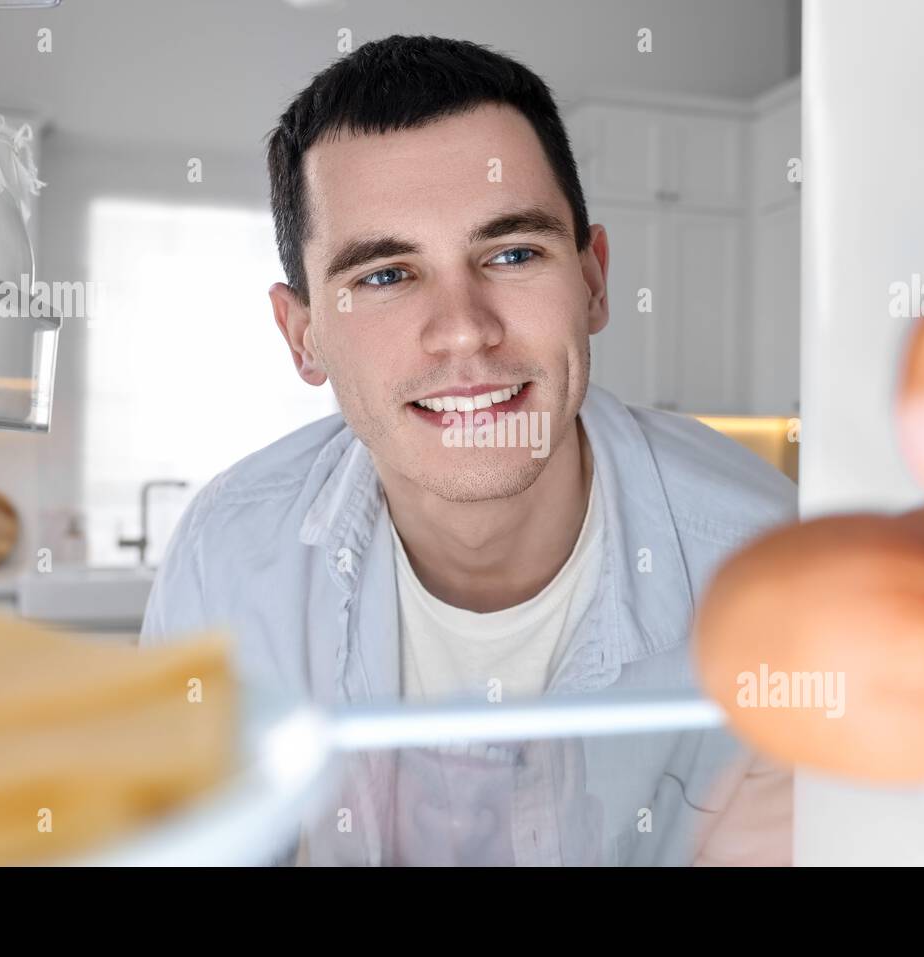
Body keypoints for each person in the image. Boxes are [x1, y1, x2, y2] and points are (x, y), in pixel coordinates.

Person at [140, 34, 796, 865]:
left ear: (593, 281)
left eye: (513, 253)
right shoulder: (227, 558)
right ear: (302, 335)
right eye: (385, 275)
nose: (464, 330)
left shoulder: (769, 562)